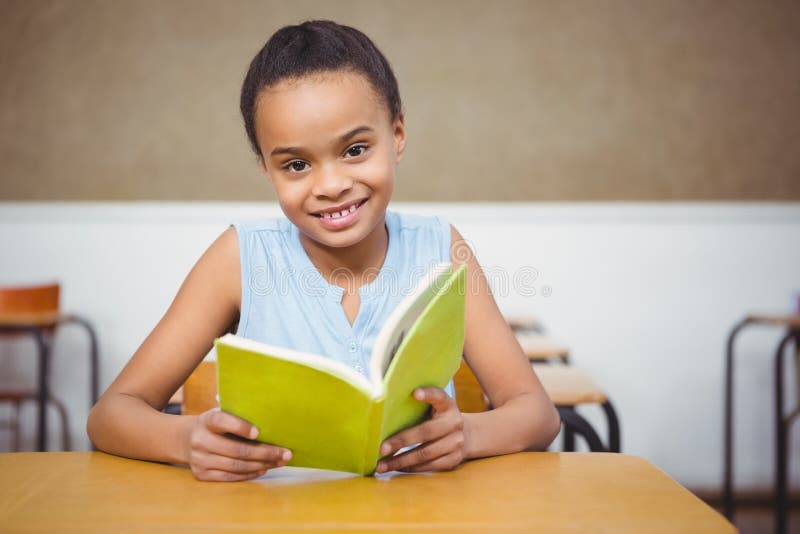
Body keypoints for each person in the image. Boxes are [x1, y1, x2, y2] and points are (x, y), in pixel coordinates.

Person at [87, 20, 560, 481]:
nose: (331, 185)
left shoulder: (441, 248)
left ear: (397, 135)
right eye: (296, 164)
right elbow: (110, 414)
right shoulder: (239, 259)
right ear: (266, 170)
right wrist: (187, 439)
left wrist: (467, 434)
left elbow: (537, 414)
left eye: (355, 150)